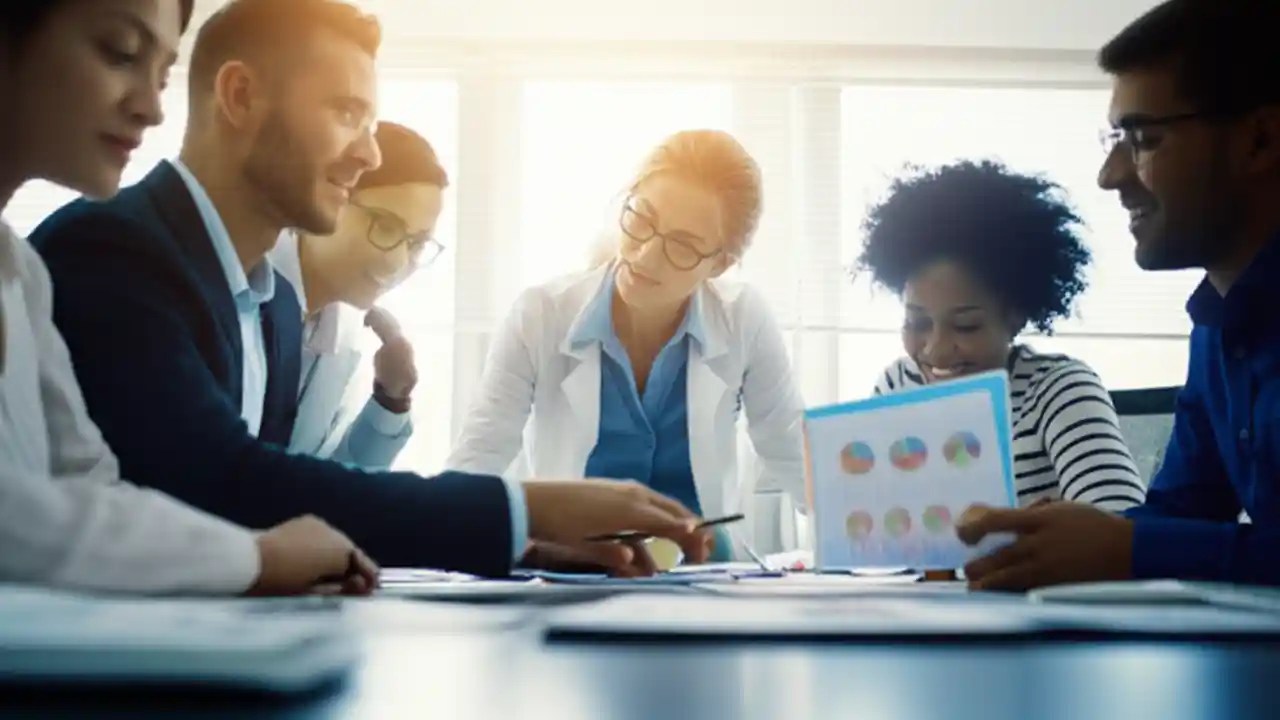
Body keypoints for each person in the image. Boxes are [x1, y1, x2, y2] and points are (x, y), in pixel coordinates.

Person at [29, 0, 711, 579]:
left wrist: (521, 543)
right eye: (347, 113)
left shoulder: (262, 299)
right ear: (238, 97)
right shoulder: (117, 250)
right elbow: (218, 484)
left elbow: (267, 489)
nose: (371, 152)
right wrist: (521, 508)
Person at [0, 0, 377, 596]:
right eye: (121, 52)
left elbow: (89, 484)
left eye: (162, 74)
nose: (150, 108)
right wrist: (255, 558)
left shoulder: (21, 272)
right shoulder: (107, 248)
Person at [958, 0, 1280, 590]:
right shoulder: (1216, 325)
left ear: (1259, 141)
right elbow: (1183, 514)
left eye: (1142, 139)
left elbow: (1157, 544)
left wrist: (1132, 548)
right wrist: (1048, 545)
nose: (1109, 174)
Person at [446, 129, 807, 561]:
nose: (644, 256)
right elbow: (477, 460)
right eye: (641, 220)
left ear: (720, 263)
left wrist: (884, 538)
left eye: (684, 246)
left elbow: (797, 457)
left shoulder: (744, 318)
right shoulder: (540, 316)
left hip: (703, 577)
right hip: (573, 574)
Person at [858, 160, 1146, 512]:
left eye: (965, 326)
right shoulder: (896, 387)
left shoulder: (1056, 390)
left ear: (1014, 317)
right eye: (918, 323)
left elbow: (1118, 522)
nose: (937, 351)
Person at [269, 121, 445, 468]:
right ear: (326, 196)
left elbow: (322, 482)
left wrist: (390, 401)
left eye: (417, 243)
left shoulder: (341, 329)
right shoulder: (237, 294)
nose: (397, 261)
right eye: (384, 225)